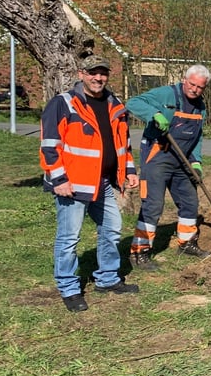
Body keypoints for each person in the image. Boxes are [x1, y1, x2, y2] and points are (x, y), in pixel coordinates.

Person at [40, 55, 140, 312]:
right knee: (69, 237)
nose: (98, 78)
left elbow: (123, 145)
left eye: (103, 73)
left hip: (104, 182)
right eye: (93, 73)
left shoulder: (114, 104)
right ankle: (69, 288)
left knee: (112, 228)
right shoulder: (64, 104)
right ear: (81, 74)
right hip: (73, 184)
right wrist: (58, 179)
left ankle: (107, 278)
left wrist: (128, 169)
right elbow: (50, 146)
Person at [127, 64, 211, 269]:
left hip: (182, 160)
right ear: (185, 80)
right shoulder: (166, 94)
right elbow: (133, 102)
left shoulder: (200, 106)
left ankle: (186, 243)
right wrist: (154, 114)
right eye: (192, 84)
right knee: (153, 205)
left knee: (190, 201)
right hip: (158, 156)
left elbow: (197, 137)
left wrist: (196, 162)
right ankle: (140, 251)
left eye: (200, 87)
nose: (194, 90)